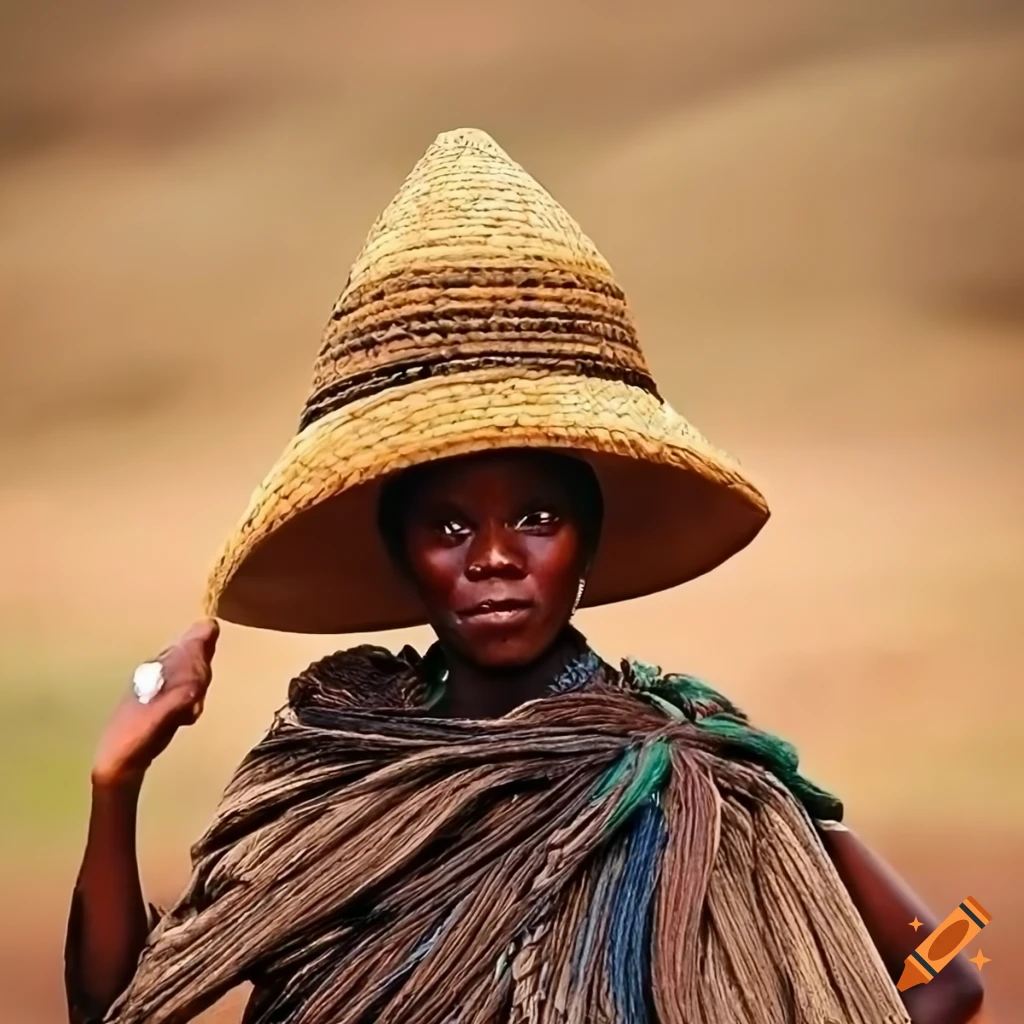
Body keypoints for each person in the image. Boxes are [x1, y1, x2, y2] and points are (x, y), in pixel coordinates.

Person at [66, 129, 984, 1024]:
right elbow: (113, 1006)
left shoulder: (696, 774)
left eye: (537, 520)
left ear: (589, 542)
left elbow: (950, 977)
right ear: (401, 554)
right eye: (450, 526)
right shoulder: (331, 770)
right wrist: (117, 782)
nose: (495, 557)